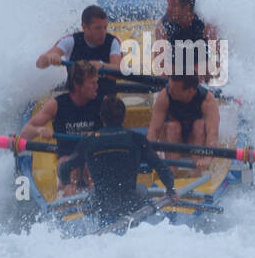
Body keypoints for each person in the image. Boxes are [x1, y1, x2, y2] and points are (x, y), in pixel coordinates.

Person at [56, 96, 178, 224]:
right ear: (124, 117)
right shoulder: (136, 139)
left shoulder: (89, 141)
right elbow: (160, 166)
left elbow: (64, 168)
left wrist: (66, 182)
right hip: (131, 201)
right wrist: (171, 190)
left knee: (92, 195)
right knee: (142, 189)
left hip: (102, 203)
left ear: (101, 117)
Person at [36, 5, 123, 97]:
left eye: (105, 27)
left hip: (105, 101)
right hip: (77, 102)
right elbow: (39, 64)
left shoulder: (113, 42)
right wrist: (50, 58)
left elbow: (118, 73)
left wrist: (102, 66)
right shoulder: (70, 41)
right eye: (98, 28)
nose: (103, 33)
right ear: (84, 27)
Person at [146, 73, 220, 173]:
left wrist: (208, 158)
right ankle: (171, 170)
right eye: (170, 87)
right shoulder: (165, 96)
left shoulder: (207, 100)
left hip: (196, 140)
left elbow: (213, 133)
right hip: (172, 139)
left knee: (199, 125)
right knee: (173, 127)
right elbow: (153, 130)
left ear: (190, 91)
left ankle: (198, 170)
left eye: (174, 90)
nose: (170, 91)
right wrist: (152, 152)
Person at [157, 0, 221, 83]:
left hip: (201, 80)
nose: (167, 10)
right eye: (168, 5)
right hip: (178, 77)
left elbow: (217, 67)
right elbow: (161, 71)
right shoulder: (162, 26)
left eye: (173, 6)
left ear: (186, 8)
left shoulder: (207, 25)